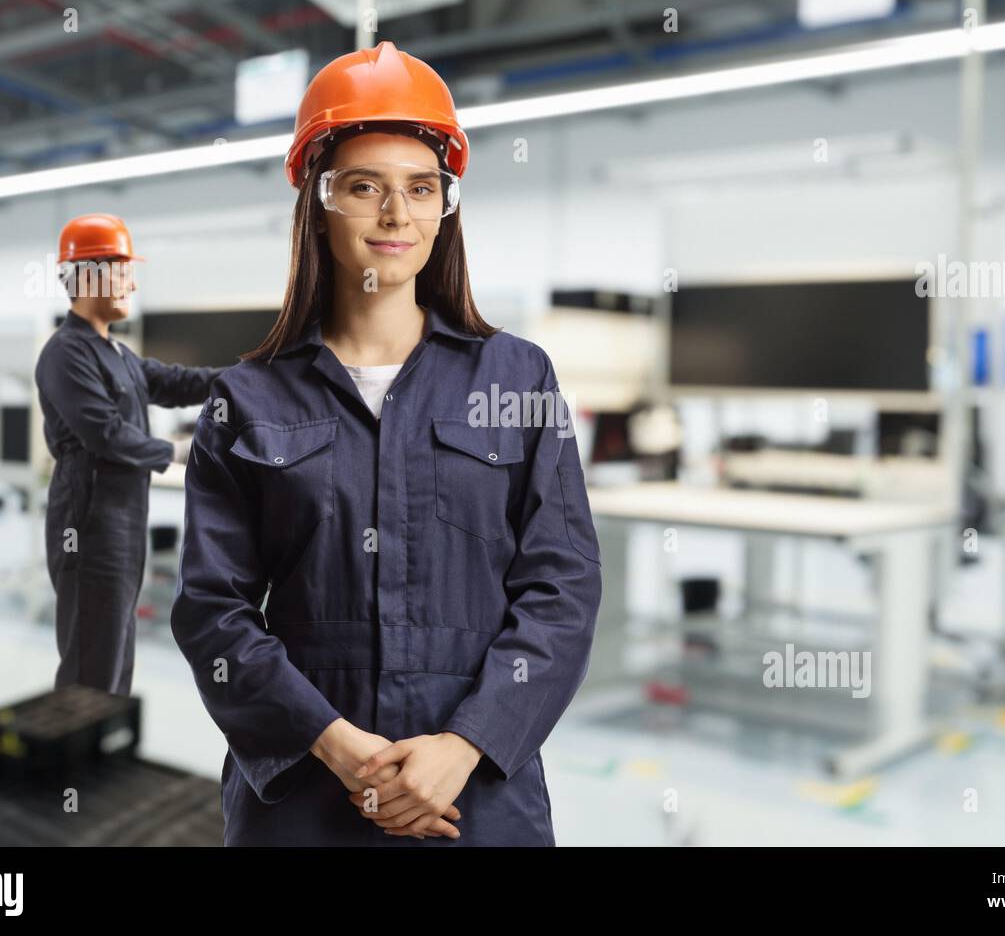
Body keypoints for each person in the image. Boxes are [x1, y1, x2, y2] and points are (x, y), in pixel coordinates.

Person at [170, 41, 602, 846]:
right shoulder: (247, 399)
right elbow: (211, 610)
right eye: (365, 187)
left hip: (477, 795)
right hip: (303, 789)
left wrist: (466, 742)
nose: (397, 214)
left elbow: (563, 585)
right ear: (318, 204)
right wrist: (335, 744)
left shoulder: (518, 376)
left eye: (421, 187)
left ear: (445, 207)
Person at [36, 213, 224, 696]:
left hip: (122, 518)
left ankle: (103, 747)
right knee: (90, 659)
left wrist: (255, 373)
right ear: (89, 274)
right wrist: (178, 451)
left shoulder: (115, 353)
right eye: (122, 269)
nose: (131, 282)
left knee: (116, 651)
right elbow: (105, 433)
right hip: (90, 522)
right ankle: (76, 763)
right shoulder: (65, 353)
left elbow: (177, 382)